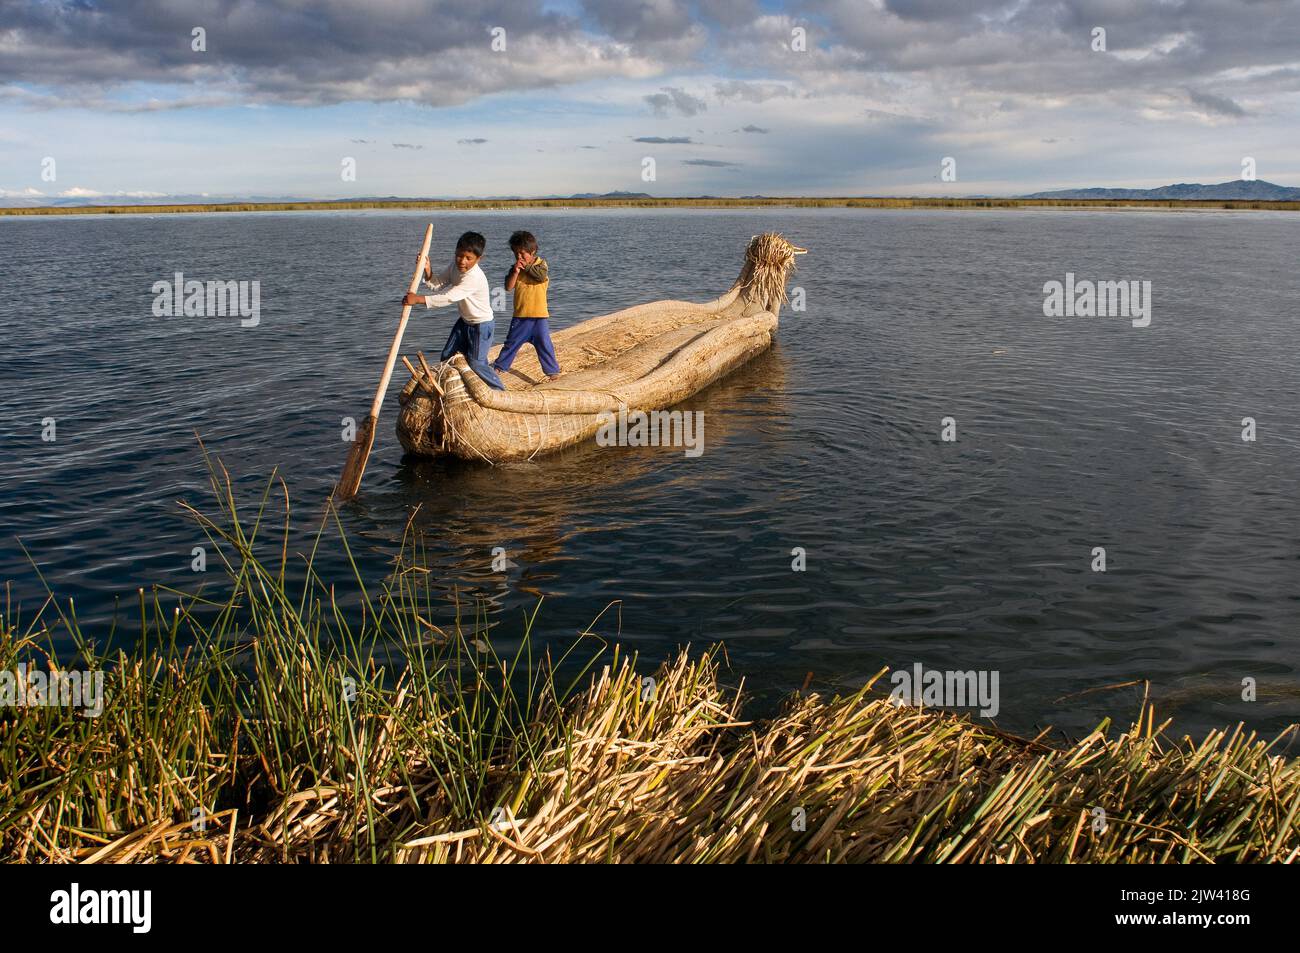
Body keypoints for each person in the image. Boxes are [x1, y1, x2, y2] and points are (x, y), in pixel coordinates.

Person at [402, 230, 504, 390]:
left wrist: (418, 299)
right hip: (464, 322)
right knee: (447, 356)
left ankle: (498, 390)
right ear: (455, 252)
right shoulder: (454, 267)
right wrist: (427, 269)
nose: (462, 261)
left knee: (476, 363)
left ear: (479, 259)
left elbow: (448, 297)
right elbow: (437, 284)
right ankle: (458, 387)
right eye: (459, 255)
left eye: (468, 258)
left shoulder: (474, 278)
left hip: (481, 325)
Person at [491, 230, 560, 381]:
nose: (519, 258)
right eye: (516, 254)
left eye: (523, 254)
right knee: (511, 344)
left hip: (539, 317)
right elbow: (508, 287)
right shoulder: (515, 268)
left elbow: (540, 276)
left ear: (533, 251)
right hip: (520, 317)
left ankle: (552, 372)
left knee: (545, 345)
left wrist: (526, 267)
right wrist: (515, 272)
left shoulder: (541, 265)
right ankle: (499, 367)